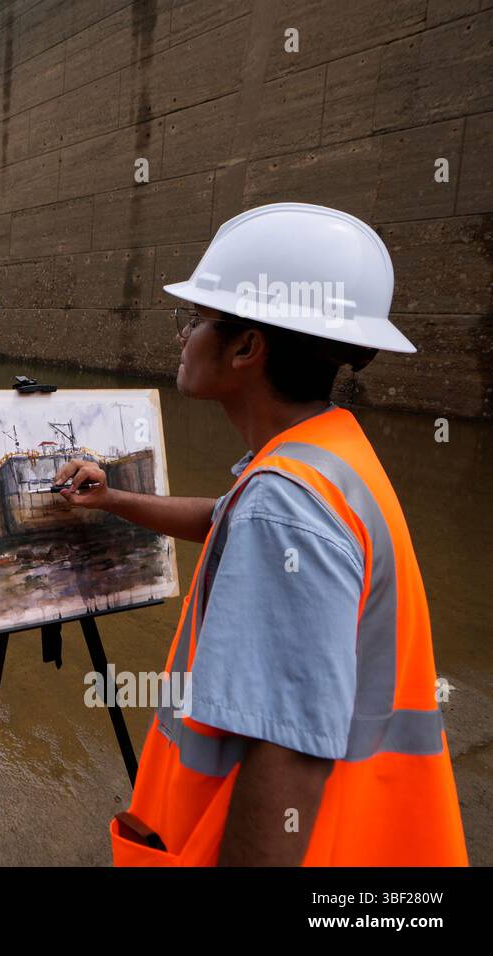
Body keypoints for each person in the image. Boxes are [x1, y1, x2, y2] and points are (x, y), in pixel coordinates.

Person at [54, 202, 468, 866]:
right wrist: (113, 500)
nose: (183, 337)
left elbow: (288, 761)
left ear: (247, 347)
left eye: (195, 320)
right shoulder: (323, 455)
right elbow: (224, 517)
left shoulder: (285, 507)